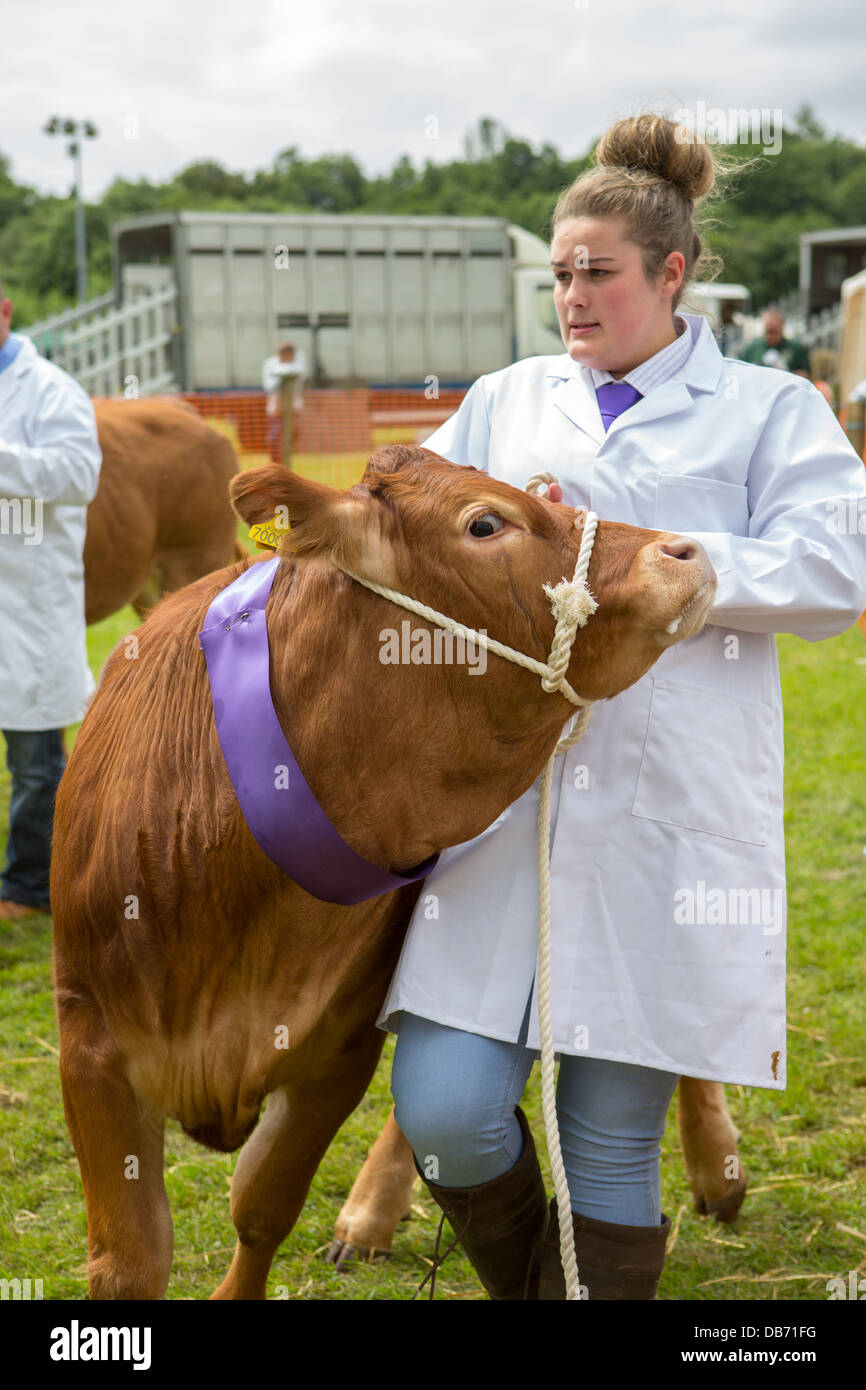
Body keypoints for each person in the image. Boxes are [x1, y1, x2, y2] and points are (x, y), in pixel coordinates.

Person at [375, 114, 866, 1301]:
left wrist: (692, 571)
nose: (573, 297)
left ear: (671, 274)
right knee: (443, 1113)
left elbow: (838, 569)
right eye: (559, 275)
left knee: (604, 1143)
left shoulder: (764, 409)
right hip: (499, 807)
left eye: (598, 272)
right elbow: (399, 523)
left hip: (659, 812)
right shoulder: (503, 399)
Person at [0, 281, 102, 920]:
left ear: (5, 312)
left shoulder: (50, 390)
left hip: (27, 600)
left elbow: (77, 473)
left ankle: (29, 888)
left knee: (35, 753)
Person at [262, 341, 305, 464]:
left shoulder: (299, 365)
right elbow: (269, 387)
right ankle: (277, 464)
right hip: (275, 410)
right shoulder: (270, 365)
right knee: (274, 440)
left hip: (292, 409)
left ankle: (285, 465)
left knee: (288, 440)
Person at [741, 307, 810, 376]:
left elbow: (806, 373)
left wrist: (785, 374)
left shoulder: (795, 347)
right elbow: (742, 371)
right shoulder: (752, 348)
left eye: (774, 331)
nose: (770, 336)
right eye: (768, 331)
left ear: (782, 327)